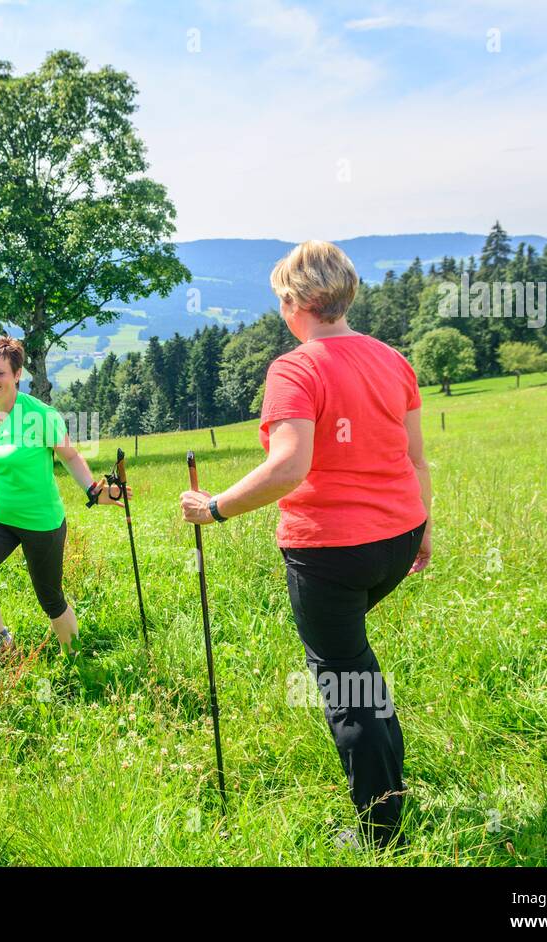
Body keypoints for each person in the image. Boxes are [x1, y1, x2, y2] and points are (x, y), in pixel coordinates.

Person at [180, 240, 432, 850]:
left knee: (347, 686)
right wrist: (423, 528)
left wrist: (213, 508)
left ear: (295, 302)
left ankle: (381, 833)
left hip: (330, 554)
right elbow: (417, 458)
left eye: (280, 301)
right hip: (396, 541)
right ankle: (391, 785)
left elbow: (290, 467)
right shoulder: (392, 360)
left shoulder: (297, 367)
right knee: (358, 666)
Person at [0, 335, 129, 656]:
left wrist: (93, 491)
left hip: (41, 521)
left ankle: (74, 659)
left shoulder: (40, 415)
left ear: (17, 375)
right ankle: (1, 638)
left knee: (50, 598)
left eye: (0, 373)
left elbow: (70, 456)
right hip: (0, 517)